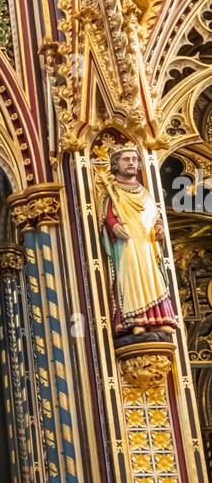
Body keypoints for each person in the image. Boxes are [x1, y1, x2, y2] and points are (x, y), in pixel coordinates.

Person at [99, 140, 177, 337]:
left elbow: (155, 216)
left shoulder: (145, 193)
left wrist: (159, 228)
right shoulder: (114, 191)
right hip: (127, 247)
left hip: (147, 247)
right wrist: (114, 226)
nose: (131, 163)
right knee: (131, 279)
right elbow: (108, 216)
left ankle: (158, 319)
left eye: (134, 159)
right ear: (116, 164)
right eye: (126, 159)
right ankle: (136, 320)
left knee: (152, 278)